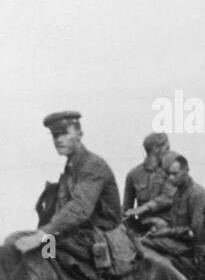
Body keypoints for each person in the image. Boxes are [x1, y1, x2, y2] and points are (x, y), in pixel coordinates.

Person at [15, 112, 124, 265]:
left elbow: (80, 208)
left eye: (64, 133)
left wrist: (44, 233)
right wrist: (43, 236)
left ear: (79, 134)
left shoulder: (93, 165)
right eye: (55, 135)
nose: (58, 140)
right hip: (76, 233)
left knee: (49, 259)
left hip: (99, 235)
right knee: (16, 242)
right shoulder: (71, 167)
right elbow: (62, 209)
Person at [141, 154, 205, 264]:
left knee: (144, 242)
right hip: (178, 242)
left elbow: (195, 233)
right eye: (169, 174)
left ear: (186, 170)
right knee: (144, 239)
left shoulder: (197, 194)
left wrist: (168, 231)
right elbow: (176, 224)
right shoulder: (178, 193)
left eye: (175, 174)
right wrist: (162, 228)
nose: (171, 178)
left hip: (191, 249)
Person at [122, 131, 175, 232]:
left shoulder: (171, 173)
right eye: (167, 148)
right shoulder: (133, 175)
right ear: (155, 149)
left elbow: (168, 198)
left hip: (167, 228)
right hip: (143, 228)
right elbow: (126, 210)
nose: (169, 152)